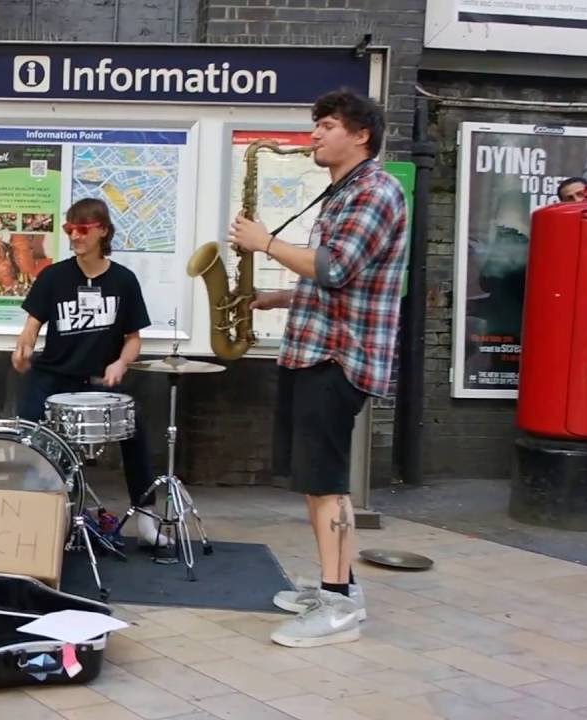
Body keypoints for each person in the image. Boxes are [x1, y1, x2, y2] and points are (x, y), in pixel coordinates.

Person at [228, 89, 407, 648]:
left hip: (338, 356)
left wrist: (266, 243)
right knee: (315, 482)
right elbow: (342, 280)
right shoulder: (342, 193)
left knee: (326, 484)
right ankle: (339, 587)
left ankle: (337, 607)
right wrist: (280, 300)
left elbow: (335, 267)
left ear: (361, 135)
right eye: (316, 125)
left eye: (327, 125)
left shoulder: (375, 191)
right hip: (315, 348)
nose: (315, 135)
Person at [11, 198, 166, 546]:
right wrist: (23, 348)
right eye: (69, 229)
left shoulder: (123, 281)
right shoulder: (53, 276)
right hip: (52, 376)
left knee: (136, 429)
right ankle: (29, 515)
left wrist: (121, 363)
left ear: (103, 231)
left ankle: (145, 518)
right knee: (26, 436)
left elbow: (133, 339)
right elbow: (31, 328)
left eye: (82, 229)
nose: (75, 236)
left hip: (98, 380)